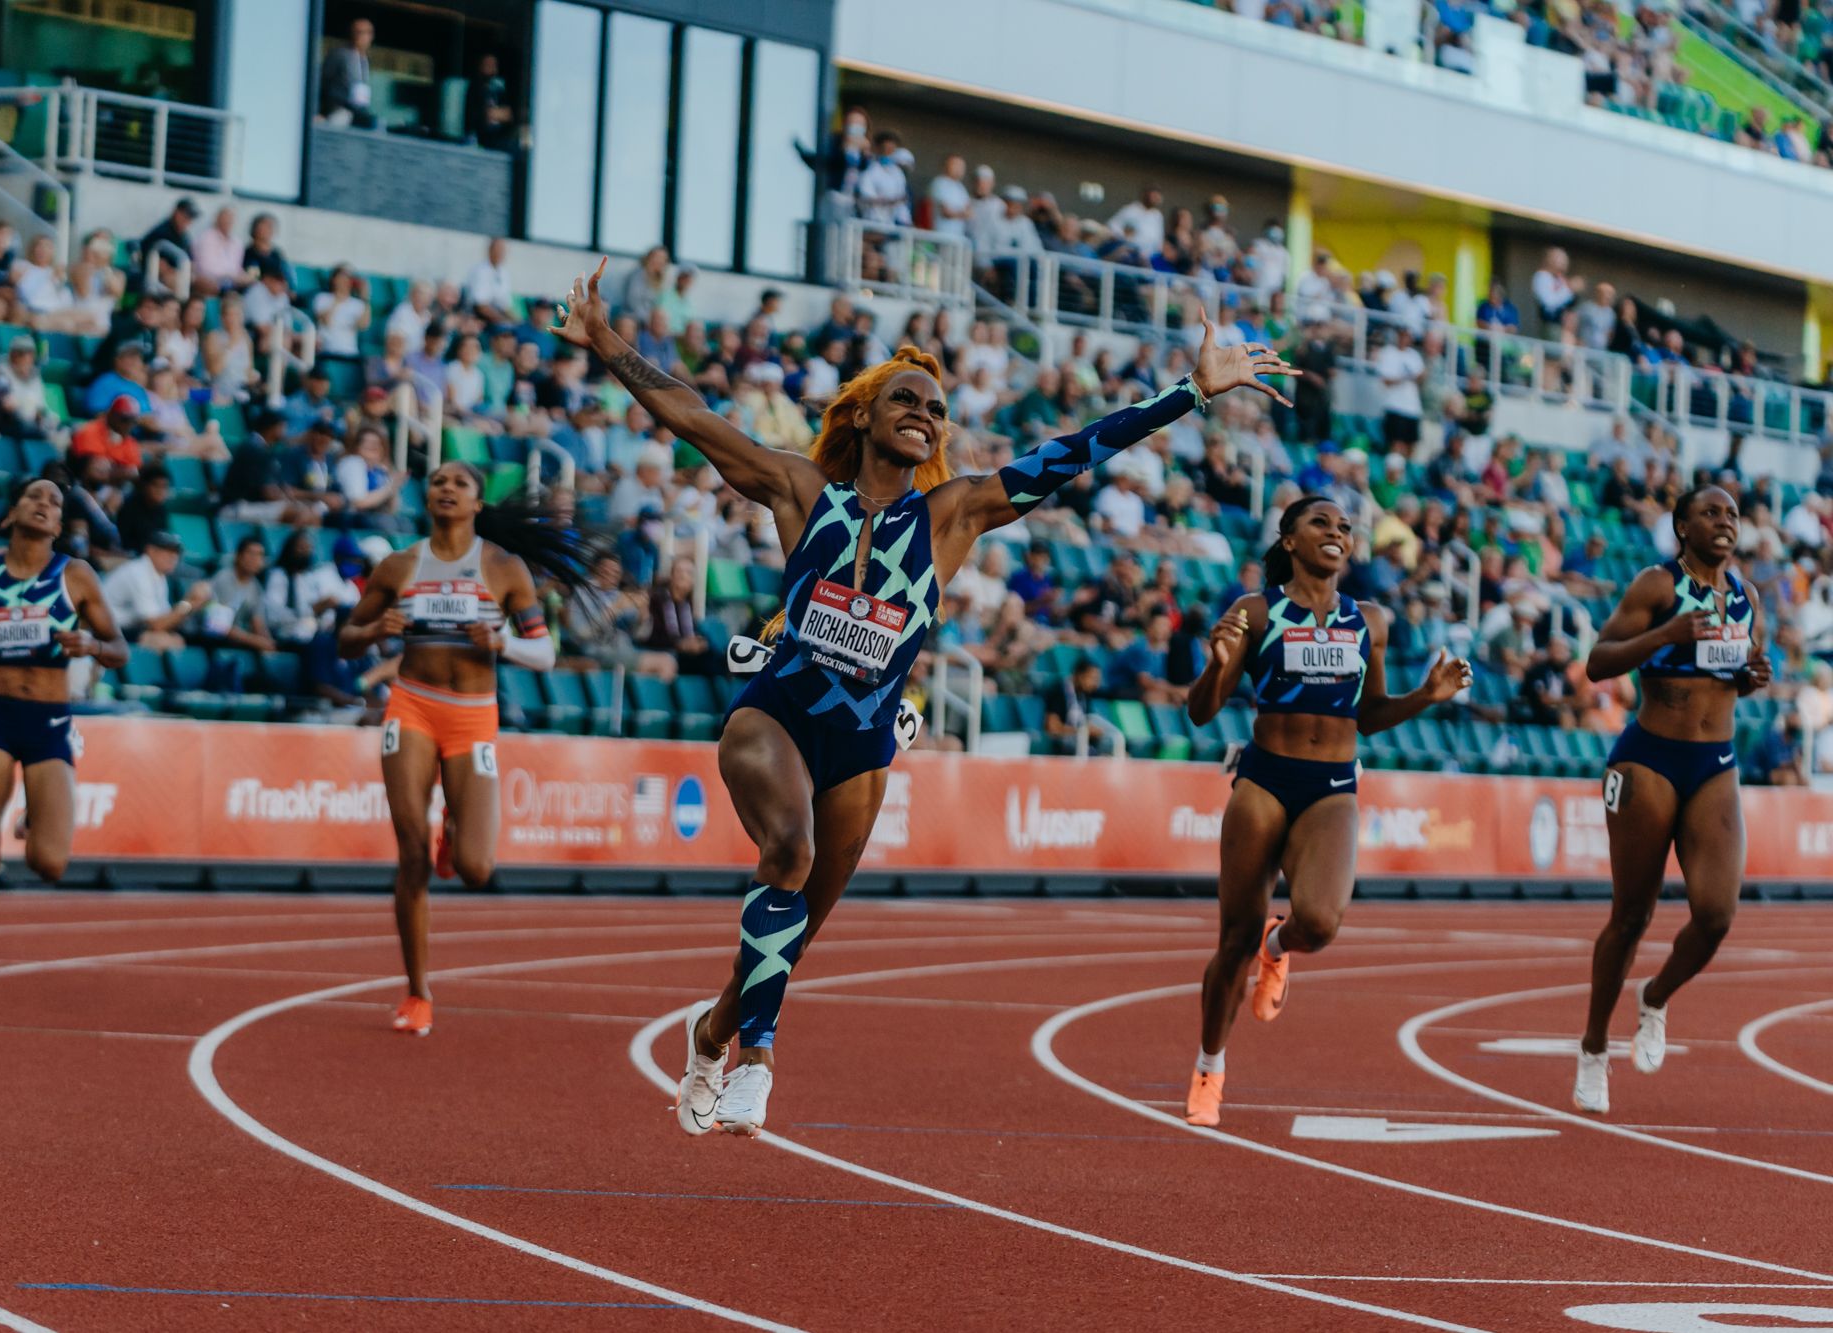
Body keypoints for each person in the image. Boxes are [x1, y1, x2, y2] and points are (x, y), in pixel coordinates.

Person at [556, 256, 1295, 1136]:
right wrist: (604, 339)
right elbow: (693, 416)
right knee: (787, 851)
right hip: (774, 713)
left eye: (937, 409)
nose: (924, 414)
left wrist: (1191, 392)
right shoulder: (801, 490)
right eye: (905, 399)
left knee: (792, 935)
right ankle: (757, 1059)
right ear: (864, 414)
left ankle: (712, 1031)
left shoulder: (953, 515)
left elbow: (1074, 452)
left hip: (864, 745)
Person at [1181, 495, 1473, 1127]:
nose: (1337, 531)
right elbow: (1201, 712)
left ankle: (1279, 944)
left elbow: (1369, 716)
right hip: (1265, 779)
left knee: (1318, 923)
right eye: (1321, 522)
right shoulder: (1256, 612)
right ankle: (1209, 1067)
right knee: (1232, 943)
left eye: (1344, 526)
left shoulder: (1370, 620)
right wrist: (1216, 668)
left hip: (1331, 784)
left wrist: (1426, 696)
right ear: (1289, 540)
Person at [339, 471, 578, 1035]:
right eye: (438, 481)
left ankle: (454, 825)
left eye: (460, 483)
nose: (447, 488)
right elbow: (346, 639)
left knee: (475, 868)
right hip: (412, 707)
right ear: (427, 498)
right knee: (411, 854)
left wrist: (502, 641)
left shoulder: (503, 567)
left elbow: (544, 653)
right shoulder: (399, 565)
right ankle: (417, 991)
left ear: (477, 501)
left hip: (472, 718)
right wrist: (375, 629)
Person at [1572, 485, 1767, 1115]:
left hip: (1715, 764)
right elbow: (1598, 662)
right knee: (1632, 915)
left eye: (1732, 514)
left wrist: (1751, 678)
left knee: (1716, 915)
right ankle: (1594, 1046)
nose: (1725, 521)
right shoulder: (1658, 585)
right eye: (1710, 512)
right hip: (1649, 757)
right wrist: (1667, 633)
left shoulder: (1746, 595)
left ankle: (1654, 997)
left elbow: (1737, 672)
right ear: (1682, 526)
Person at [0, 478, 129, 1016]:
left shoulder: (74, 575)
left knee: (49, 863)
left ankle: (34, 814)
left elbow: (121, 650)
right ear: (12, 512)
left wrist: (91, 644)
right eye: (34, 496)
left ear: (59, 525)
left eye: (54, 502)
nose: (43, 505)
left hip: (48, 721)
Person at [320, 17, 376, 128]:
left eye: (366, 33)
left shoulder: (365, 59)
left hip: (358, 113)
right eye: (358, 32)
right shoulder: (339, 54)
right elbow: (322, 81)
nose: (361, 36)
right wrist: (319, 112)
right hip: (339, 111)